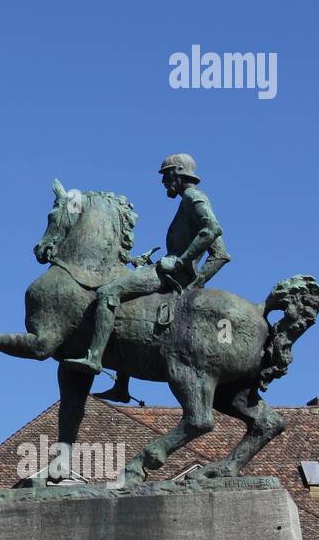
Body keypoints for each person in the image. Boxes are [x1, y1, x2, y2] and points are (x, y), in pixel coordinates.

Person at [65, 153, 230, 396]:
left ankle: (94, 358)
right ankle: (121, 386)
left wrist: (182, 266)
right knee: (130, 302)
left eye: (166, 175)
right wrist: (194, 279)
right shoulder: (189, 200)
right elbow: (221, 254)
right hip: (172, 273)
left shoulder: (193, 198)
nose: (163, 181)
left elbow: (213, 229)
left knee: (108, 292)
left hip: (169, 275)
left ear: (177, 173)